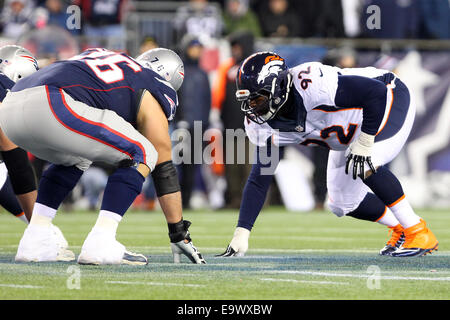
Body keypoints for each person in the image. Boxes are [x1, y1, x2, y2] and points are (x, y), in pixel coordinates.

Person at [218, 51, 439, 258]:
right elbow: (260, 177)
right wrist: (242, 233)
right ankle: (400, 227)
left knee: (365, 161)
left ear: (277, 88)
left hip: (388, 98)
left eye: (258, 99)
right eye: (248, 102)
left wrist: (364, 142)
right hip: (351, 130)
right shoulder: (261, 125)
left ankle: (418, 232)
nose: (253, 108)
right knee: (342, 203)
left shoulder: (311, 85)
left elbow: (376, 94)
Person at [0, 47, 206, 265]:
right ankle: (101, 242)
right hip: (51, 102)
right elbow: (163, 160)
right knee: (144, 151)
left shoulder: (106, 57)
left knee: (76, 155)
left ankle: (36, 239)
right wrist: (177, 231)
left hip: (11, 108)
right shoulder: (152, 82)